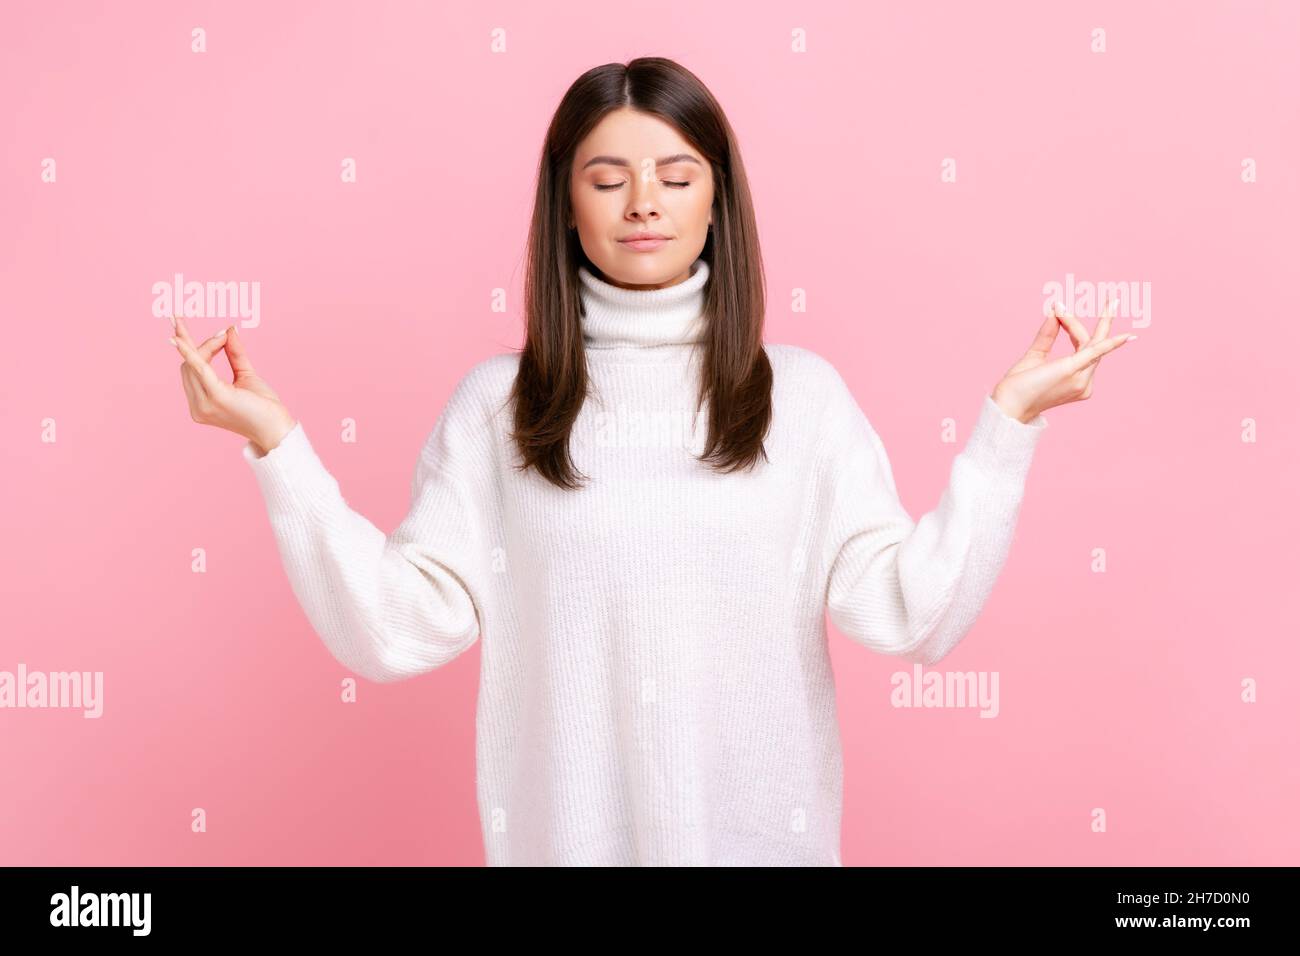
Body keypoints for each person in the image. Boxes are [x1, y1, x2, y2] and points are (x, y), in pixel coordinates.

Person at [167, 57, 1133, 866]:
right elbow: (391, 628)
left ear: (718, 199)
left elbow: (911, 616)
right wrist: (277, 447)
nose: (642, 204)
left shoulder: (800, 399)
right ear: (566, 203)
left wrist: (1007, 428)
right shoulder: (499, 409)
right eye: (606, 177)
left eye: (676, 176)